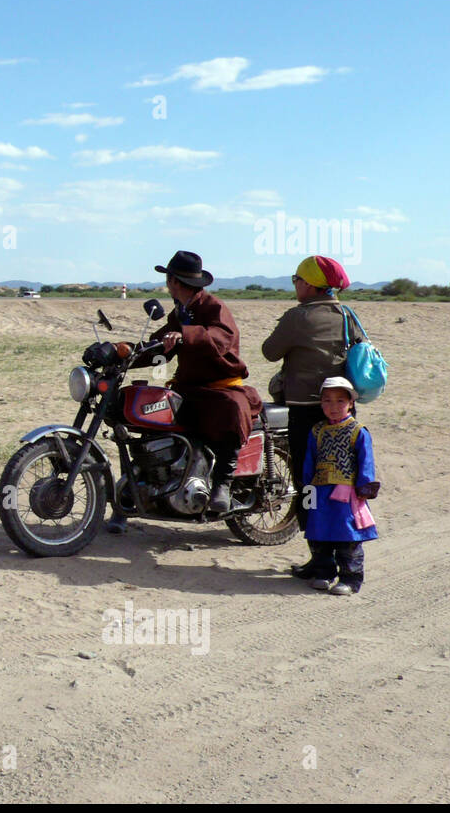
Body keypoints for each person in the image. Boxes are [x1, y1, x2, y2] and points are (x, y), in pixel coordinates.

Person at [133, 250, 262, 513]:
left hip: (220, 386)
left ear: (174, 282)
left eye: (168, 279)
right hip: (189, 387)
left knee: (232, 409)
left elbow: (222, 336)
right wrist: (121, 352)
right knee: (154, 409)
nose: (167, 284)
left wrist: (185, 335)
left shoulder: (213, 306)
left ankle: (222, 485)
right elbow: (159, 345)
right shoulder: (180, 312)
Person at [261, 255, 354, 577]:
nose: (295, 285)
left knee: (308, 484)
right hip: (342, 415)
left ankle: (322, 561)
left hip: (304, 412)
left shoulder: (298, 317)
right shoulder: (346, 315)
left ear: (311, 284)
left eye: (296, 279)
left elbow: (269, 351)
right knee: (338, 483)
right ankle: (344, 562)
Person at [302, 377, 379, 595]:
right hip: (319, 490)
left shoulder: (358, 431)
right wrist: (307, 489)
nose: (333, 407)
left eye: (339, 401)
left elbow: (366, 461)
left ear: (350, 403)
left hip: (346, 493)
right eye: (327, 401)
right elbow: (310, 461)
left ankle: (350, 578)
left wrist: (364, 488)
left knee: (347, 536)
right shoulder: (317, 431)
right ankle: (324, 573)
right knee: (319, 534)